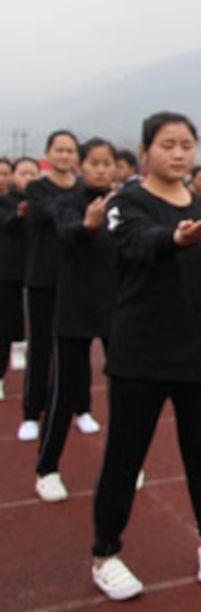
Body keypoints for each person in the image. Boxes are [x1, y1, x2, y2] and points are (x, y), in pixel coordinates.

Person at [92, 112, 201, 600]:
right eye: (168, 144)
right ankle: (106, 552)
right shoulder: (129, 202)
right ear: (146, 149)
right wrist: (175, 238)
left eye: (187, 145)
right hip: (142, 353)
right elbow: (133, 244)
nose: (179, 153)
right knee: (125, 455)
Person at [34, 139, 119, 502]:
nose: (101, 169)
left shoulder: (124, 205)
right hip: (73, 307)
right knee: (64, 390)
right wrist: (87, 225)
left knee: (127, 393)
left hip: (116, 308)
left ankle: (123, 464)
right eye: (94, 162)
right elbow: (66, 233)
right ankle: (47, 468)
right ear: (82, 165)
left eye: (107, 163)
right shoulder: (66, 202)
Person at [19, 131, 90, 442]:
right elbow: (44, 213)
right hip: (42, 279)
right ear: (48, 153)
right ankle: (33, 413)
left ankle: (82, 408)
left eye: (69, 150)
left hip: (76, 281)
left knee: (79, 348)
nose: (64, 156)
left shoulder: (82, 188)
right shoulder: (37, 188)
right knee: (42, 347)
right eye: (58, 150)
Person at [0, 158, 40, 399]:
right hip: (7, 272)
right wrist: (19, 214)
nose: (28, 178)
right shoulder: (7, 201)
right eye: (23, 173)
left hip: (37, 273)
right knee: (5, 326)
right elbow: (7, 221)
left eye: (33, 174)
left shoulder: (45, 200)